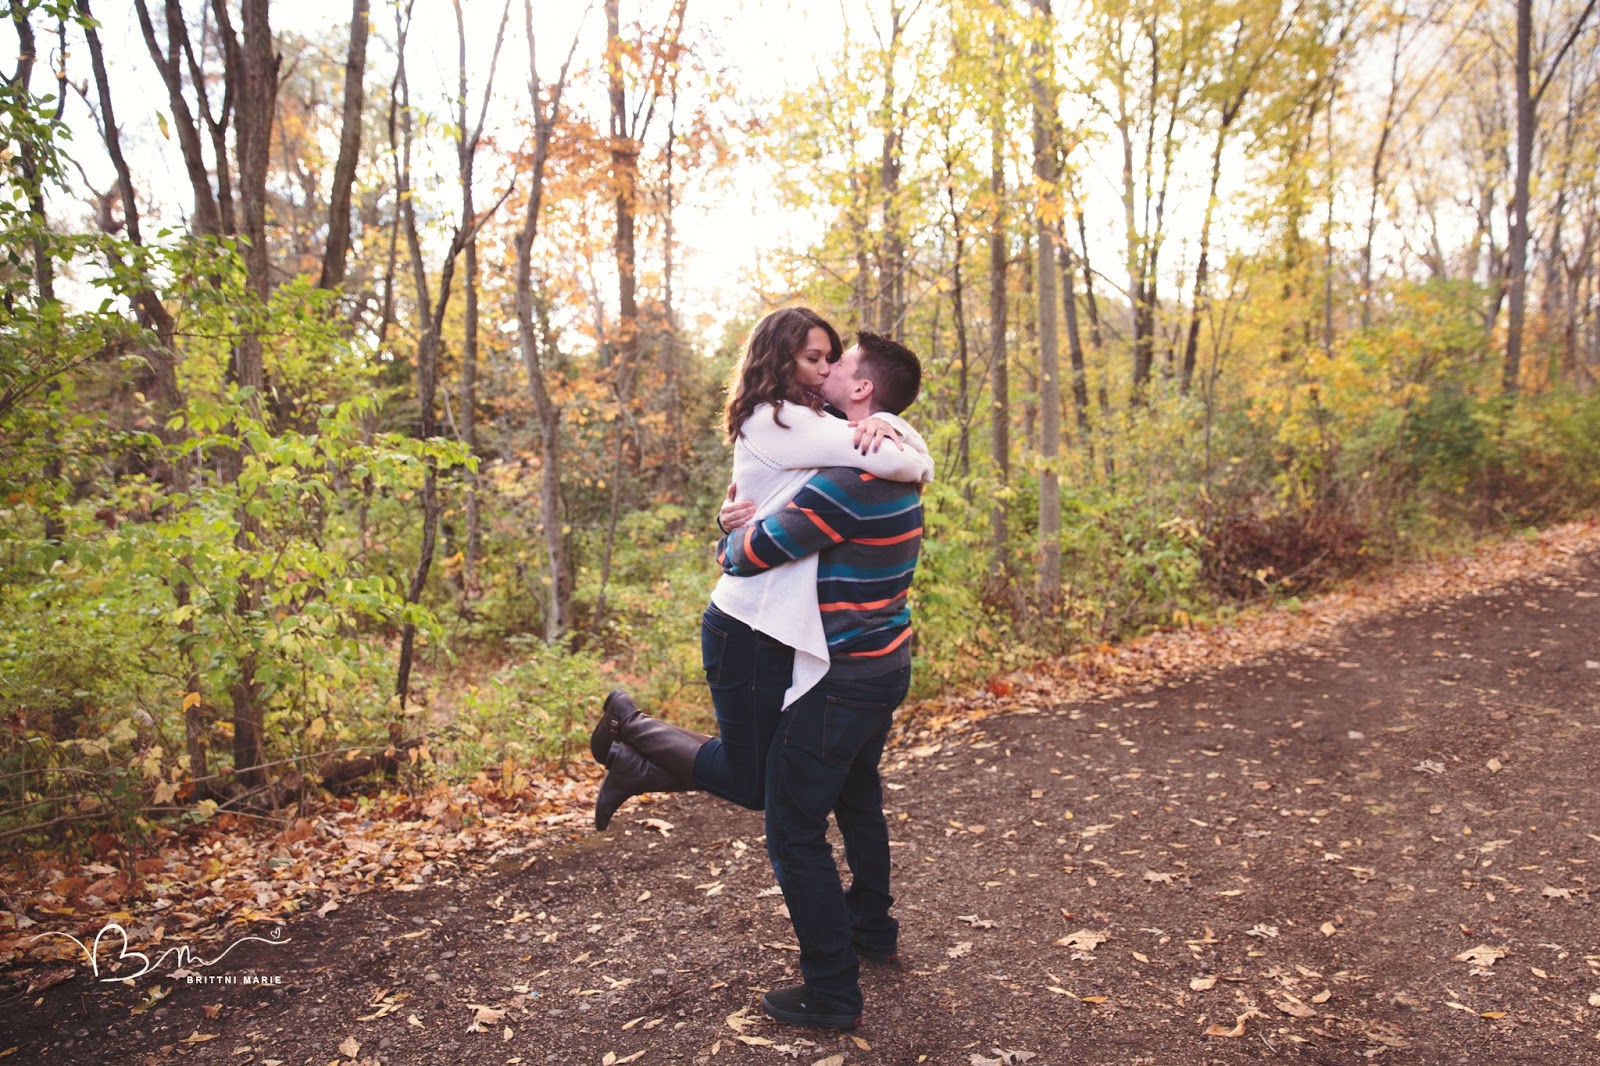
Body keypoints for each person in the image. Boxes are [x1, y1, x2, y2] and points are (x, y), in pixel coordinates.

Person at [588, 308, 932, 829]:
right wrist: (906, 446)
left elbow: (775, 488)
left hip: (778, 618)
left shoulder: (815, 416)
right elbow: (894, 460)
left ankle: (633, 766)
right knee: (756, 782)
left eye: (831, 359)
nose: (825, 369)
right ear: (780, 359)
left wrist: (888, 423)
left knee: (761, 775)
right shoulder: (777, 417)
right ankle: (631, 725)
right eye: (814, 358)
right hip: (749, 613)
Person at [715, 330, 926, 1030]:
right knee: (858, 797)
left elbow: (748, 556)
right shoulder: (886, 464)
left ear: (862, 389)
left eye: (841, 364)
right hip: (888, 663)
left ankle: (832, 992)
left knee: (793, 829)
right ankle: (873, 930)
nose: (828, 370)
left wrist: (727, 534)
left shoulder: (846, 484)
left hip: (844, 681)